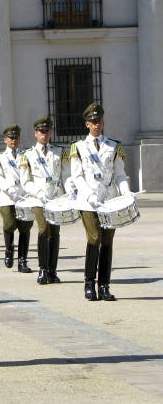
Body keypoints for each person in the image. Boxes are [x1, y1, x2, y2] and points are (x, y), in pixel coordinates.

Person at [70, 103, 132, 301]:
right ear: (87, 124)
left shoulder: (114, 146)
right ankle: (89, 284)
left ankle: (104, 285)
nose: (97, 125)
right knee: (94, 238)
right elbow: (77, 176)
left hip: (109, 201)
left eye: (100, 122)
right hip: (89, 202)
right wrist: (89, 195)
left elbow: (120, 174)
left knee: (107, 242)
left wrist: (126, 192)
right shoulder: (78, 147)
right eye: (93, 122)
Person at [20, 116, 69, 284]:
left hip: (56, 197)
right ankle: (42, 269)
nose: (44, 134)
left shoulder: (59, 151)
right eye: (41, 131)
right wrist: (38, 192)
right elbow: (25, 181)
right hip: (39, 198)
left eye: (47, 131)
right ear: (35, 133)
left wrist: (71, 191)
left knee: (55, 232)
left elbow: (66, 174)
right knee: (43, 230)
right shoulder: (28, 155)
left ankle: (52, 270)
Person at [0, 125, 33, 273]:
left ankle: (22, 260)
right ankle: (9, 251)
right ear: (5, 140)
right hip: (8, 197)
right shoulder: (0, 158)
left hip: (24, 197)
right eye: (11, 138)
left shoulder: (26, 156)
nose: (13, 140)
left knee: (25, 229)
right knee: (9, 226)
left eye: (16, 138)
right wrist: (9, 188)